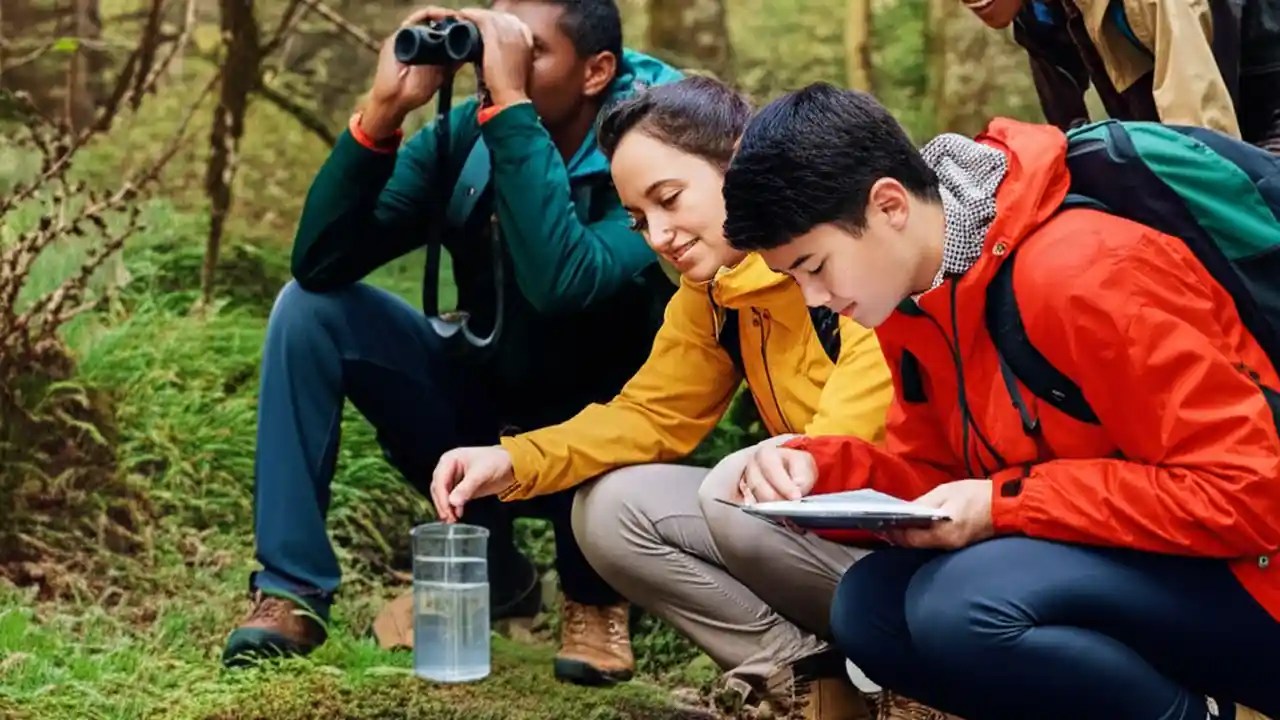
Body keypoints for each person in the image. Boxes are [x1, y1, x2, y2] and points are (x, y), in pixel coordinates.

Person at [716, 82, 1280, 719]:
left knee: (964, 606)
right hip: (1150, 568)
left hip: (1258, 580)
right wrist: (820, 472)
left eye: (814, 266)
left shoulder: (1083, 270)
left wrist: (1006, 504)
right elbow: (941, 482)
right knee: (870, 608)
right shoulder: (913, 303)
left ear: (890, 205)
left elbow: (1248, 494)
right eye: (793, 278)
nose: (813, 297)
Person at [423, 75, 919, 718]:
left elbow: (854, 436)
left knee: (737, 482)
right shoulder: (714, 299)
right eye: (637, 219)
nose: (657, 235)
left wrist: (790, 464)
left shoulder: (845, 258)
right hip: (816, 528)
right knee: (610, 510)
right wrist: (514, 460)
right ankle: (814, 685)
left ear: (740, 159)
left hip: (904, 540)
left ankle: (914, 682)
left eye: (669, 198)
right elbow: (652, 414)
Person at [221, 0, 684, 684]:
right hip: (480, 410)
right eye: (493, 39)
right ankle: (293, 590)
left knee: (600, 361)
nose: (495, 62)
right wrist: (384, 108)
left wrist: (512, 112)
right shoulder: (468, 135)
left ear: (597, 71)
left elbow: (565, 281)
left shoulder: (653, 147)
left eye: (527, 48)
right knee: (309, 310)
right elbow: (321, 263)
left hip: (603, 423)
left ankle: (594, 595)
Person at [961, 0, 1280, 153]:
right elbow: (1060, 141)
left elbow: (1206, 145)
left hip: (1263, 113)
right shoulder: (1038, 17)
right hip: (1210, 133)